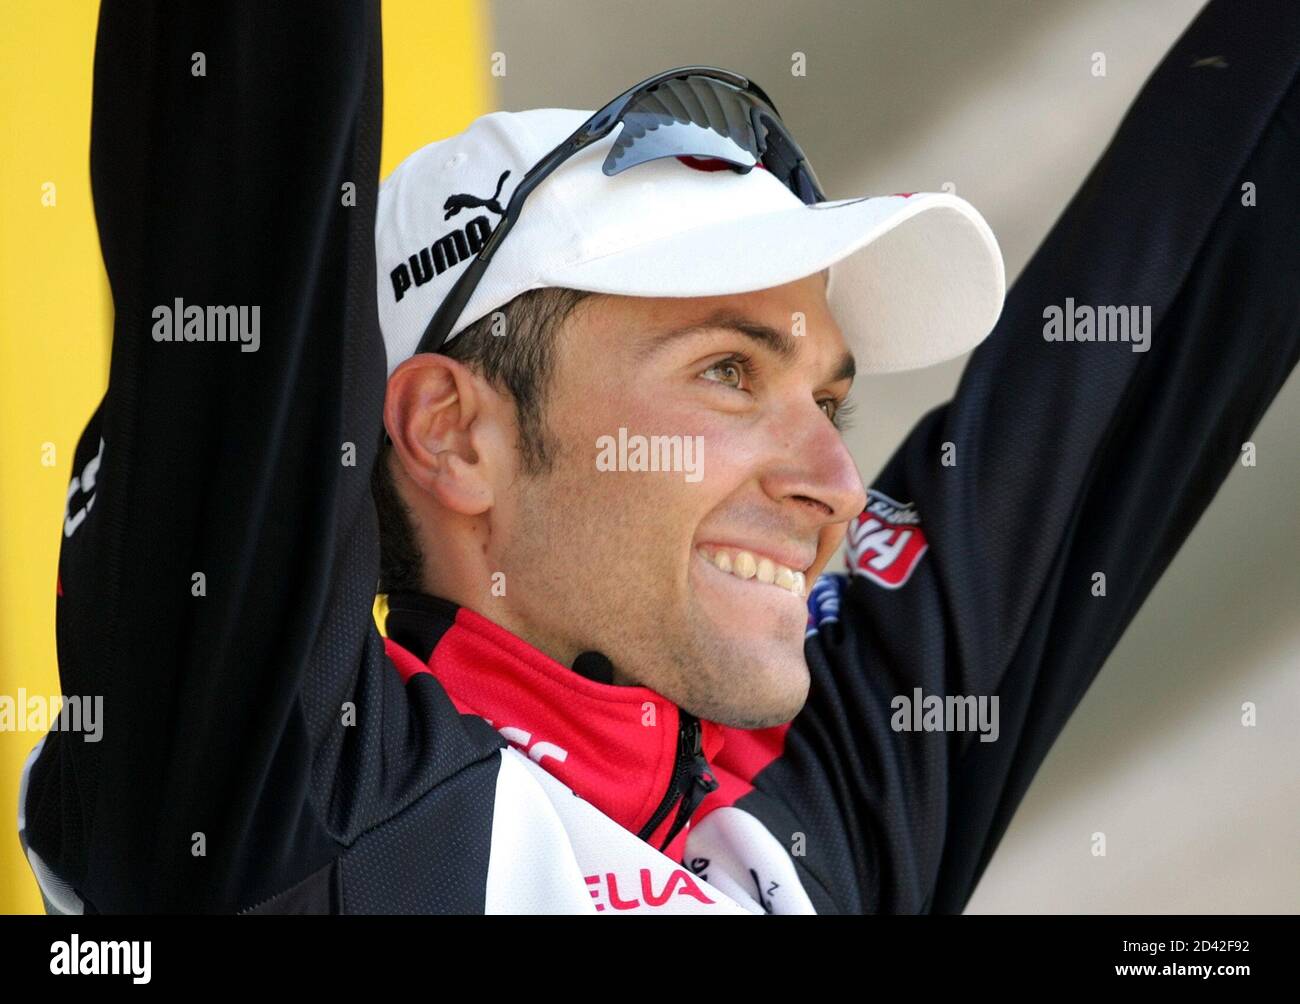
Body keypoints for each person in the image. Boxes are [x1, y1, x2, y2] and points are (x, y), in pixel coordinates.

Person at [18, 0, 1300, 914]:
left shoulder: (800, 824)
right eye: (729, 372)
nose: (833, 485)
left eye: (831, 402)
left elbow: (1185, 262)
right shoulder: (279, 787)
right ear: (454, 432)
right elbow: (246, 150)